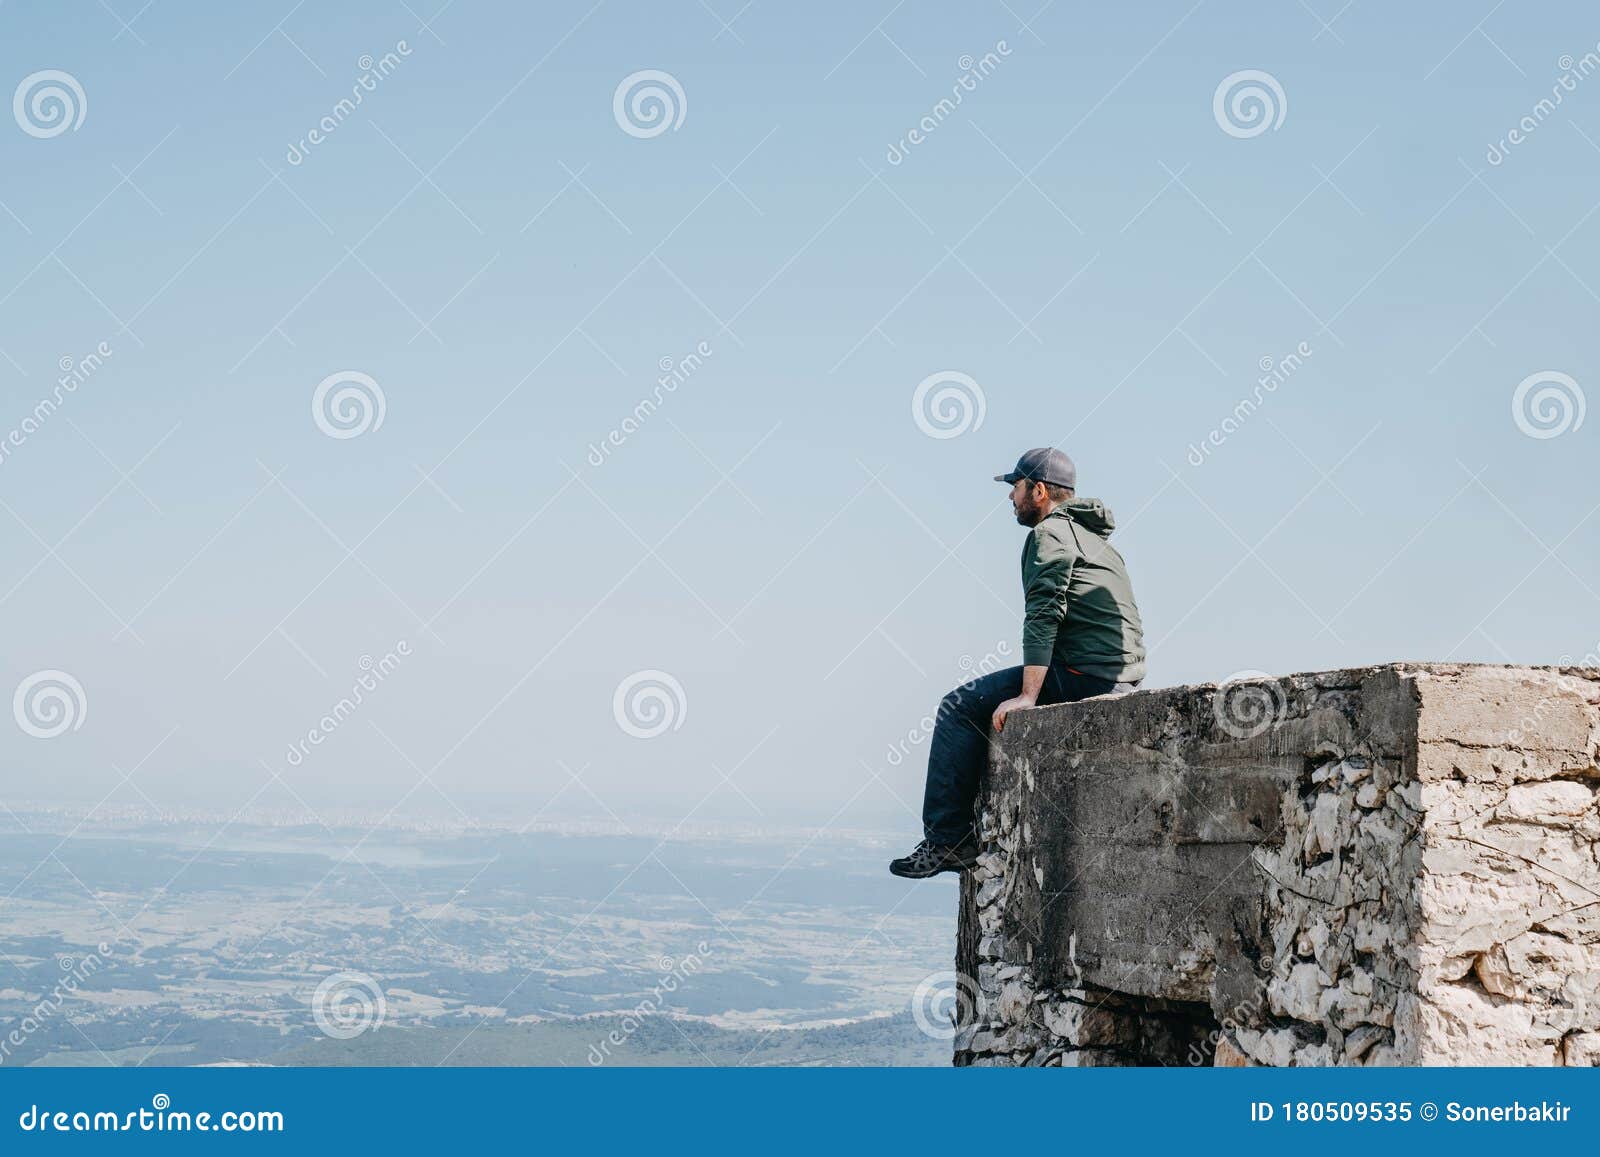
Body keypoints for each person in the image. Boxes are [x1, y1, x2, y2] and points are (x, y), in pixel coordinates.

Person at [889, 448, 1147, 879]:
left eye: (1016, 488)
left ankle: (947, 840)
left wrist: (1028, 695)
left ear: (1039, 490)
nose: (1011, 498)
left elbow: (1045, 613)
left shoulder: (1048, 536)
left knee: (957, 707)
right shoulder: (1097, 542)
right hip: (1120, 676)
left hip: (1087, 676)